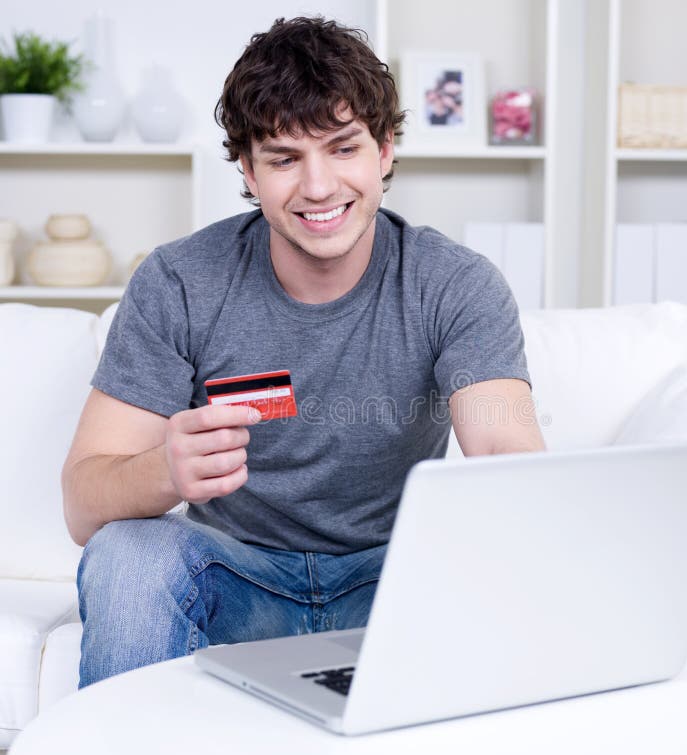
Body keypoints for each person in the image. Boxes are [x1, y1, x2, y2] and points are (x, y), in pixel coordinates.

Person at [62, 16, 545, 688]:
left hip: (394, 585)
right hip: (239, 581)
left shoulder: (455, 284)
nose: (318, 187)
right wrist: (164, 471)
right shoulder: (180, 281)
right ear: (249, 172)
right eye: (285, 159)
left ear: (385, 151)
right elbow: (84, 506)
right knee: (127, 553)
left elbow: (503, 448)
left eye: (343, 149)